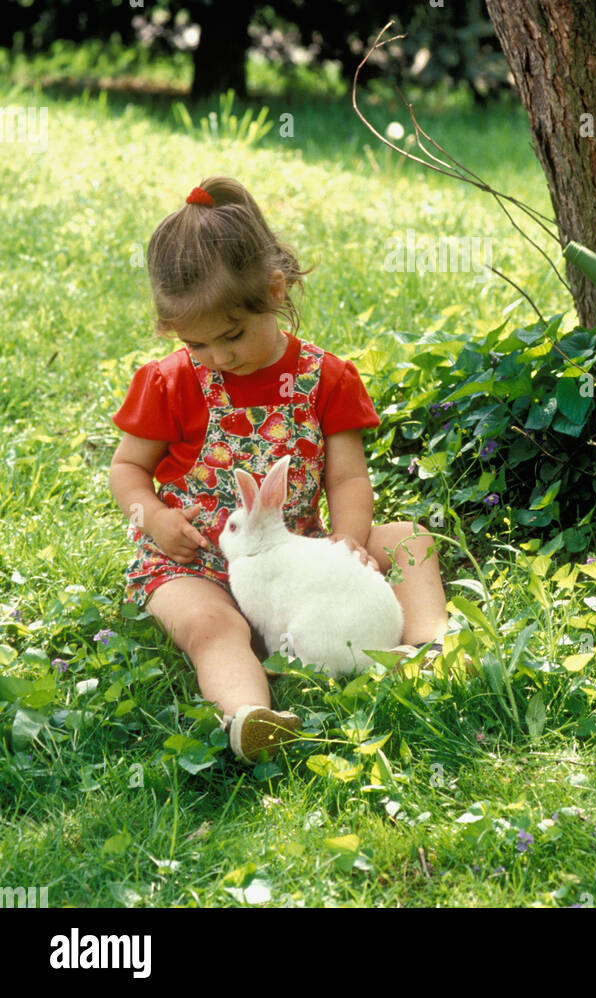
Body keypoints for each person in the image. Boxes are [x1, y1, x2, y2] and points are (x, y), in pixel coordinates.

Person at [109, 175, 448, 764]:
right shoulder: (170, 382)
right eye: (198, 344)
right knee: (211, 628)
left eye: (231, 336)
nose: (217, 358)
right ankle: (252, 715)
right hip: (199, 564)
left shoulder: (326, 377)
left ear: (274, 288)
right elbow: (126, 471)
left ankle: (430, 648)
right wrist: (155, 517)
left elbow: (346, 478)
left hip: (296, 557)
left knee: (409, 538)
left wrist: (348, 541)